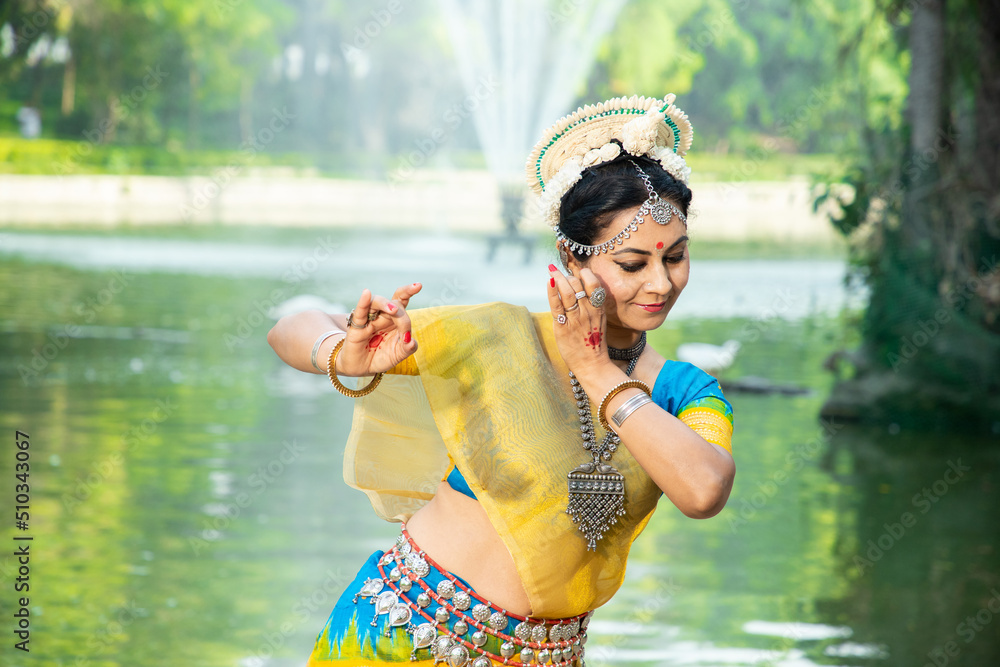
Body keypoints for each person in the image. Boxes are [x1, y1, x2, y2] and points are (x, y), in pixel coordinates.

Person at [267, 93, 735, 667]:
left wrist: (596, 370)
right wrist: (343, 352)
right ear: (573, 258)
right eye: (633, 265)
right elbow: (291, 328)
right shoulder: (498, 337)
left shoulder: (686, 393)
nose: (660, 284)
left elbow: (704, 490)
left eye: (677, 257)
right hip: (403, 637)